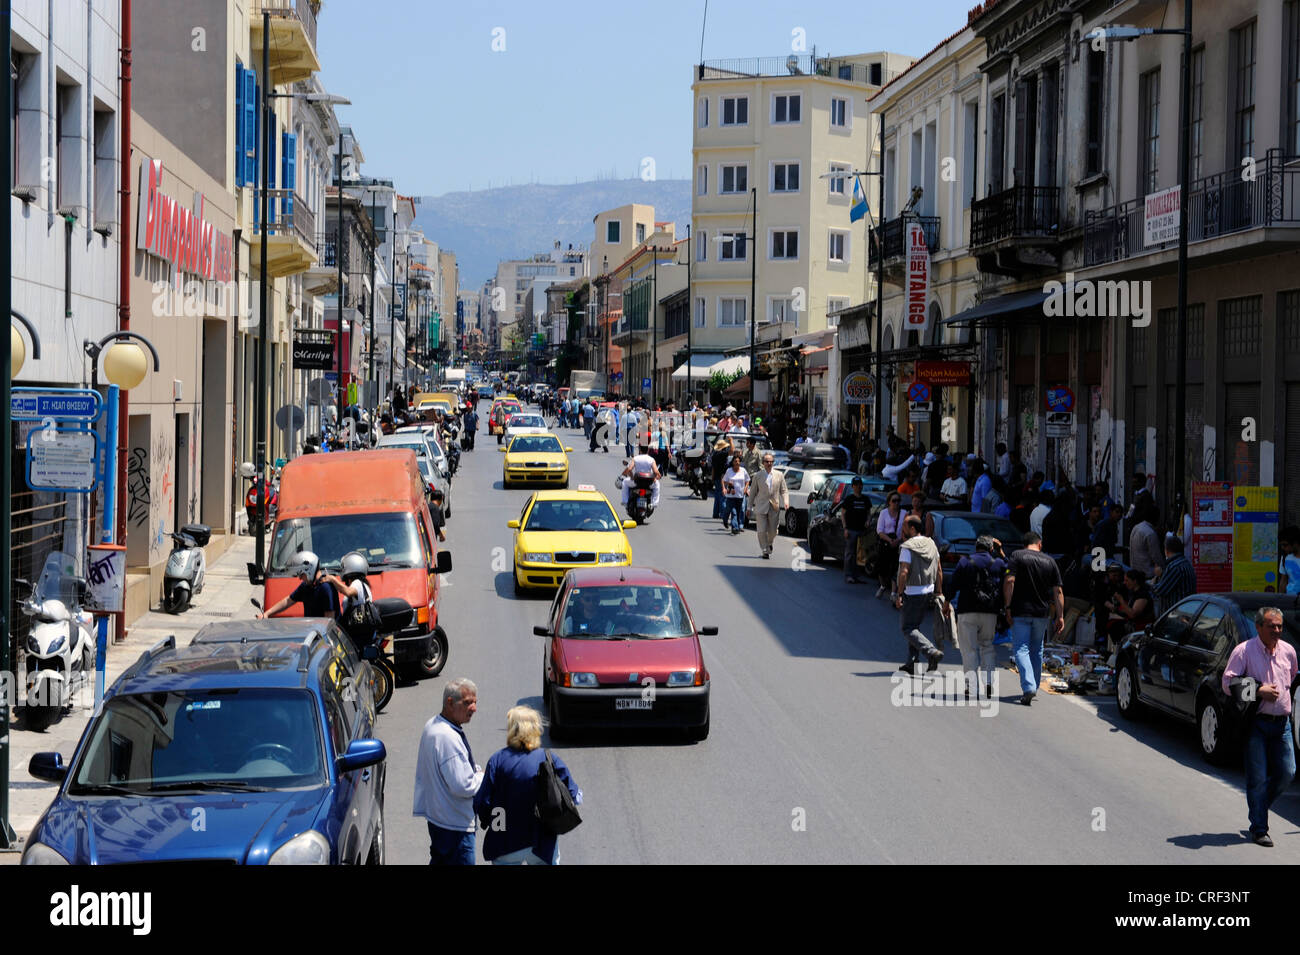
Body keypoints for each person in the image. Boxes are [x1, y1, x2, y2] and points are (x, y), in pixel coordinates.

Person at [1221, 607, 1298, 847]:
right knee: (1257, 778)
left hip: (1282, 724)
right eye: (1271, 626)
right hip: (1256, 724)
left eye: (1279, 626)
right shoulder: (1243, 651)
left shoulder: (1289, 651)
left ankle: (1259, 806)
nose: (1277, 631)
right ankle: (1259, 828)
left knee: (1288, 772)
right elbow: (1227, 683)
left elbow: (1292, 677)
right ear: (1258, 627)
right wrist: (1258, 690)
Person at [473, 705, 582, 865]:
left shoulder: (497, 760)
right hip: (541, 841)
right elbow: (573, 796)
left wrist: (493, 823)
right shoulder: (548, 758)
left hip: (505, 841)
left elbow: (483, 803)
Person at [413, 677, 483, 865]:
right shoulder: (447, 738)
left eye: (475, 703)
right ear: (450, 703)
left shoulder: (434, 725)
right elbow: (463, 785)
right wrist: (481, 777)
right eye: (468, 703)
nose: (474, 708)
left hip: (440, 820)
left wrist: (472, 769)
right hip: (455, 827)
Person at [1002, 531, 1064, 706]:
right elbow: (1058, 591)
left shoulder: (1017, 556)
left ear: (1024, 544)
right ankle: (1034, 686)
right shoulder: (1050, 561)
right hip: (1042, 613)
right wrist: (1060, 616)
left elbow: (1009, 581)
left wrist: (1007, 606)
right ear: (1040, 544)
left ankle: (1028, 686)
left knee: (1021, 649)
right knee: (1037, 650)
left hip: (1020, 611)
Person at [952, 536, 1007, 698]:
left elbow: (953, 584)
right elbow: (1011, 568)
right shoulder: (997, 563)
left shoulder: (964, 562)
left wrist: (946, 601)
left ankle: (971, 686)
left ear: (975, 548)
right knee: (987, 646)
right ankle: (988, 682)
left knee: (969, 650)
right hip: (990, 613)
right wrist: (1001, 551)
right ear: (991, 549)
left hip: (967, 611)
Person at [894, 515, 946, 673]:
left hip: (913, 591)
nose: (902, 529)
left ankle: (931, 651)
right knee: (914, 626)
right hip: (928, 590)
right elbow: (939, 569)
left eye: (904, 526)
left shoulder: (907, 547)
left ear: (912, 528)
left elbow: (904, 572)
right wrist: (939, 591)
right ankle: (912, 663)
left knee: (908, 628)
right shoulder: (931, 543)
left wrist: (899, 593)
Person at [258, 550, 338, 619]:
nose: (300, 578)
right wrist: (267, 613)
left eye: (301, 575)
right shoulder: (306, 586)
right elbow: (288, 600)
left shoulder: (326, 588)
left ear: (309, 571)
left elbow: (329, 618)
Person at [747, 452, 789, 559]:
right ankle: (765, 549)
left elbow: (784, 490)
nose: (769, 463)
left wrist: (786, 501)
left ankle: (769, 543)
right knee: (761, 530)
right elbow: (752, 493)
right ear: (763, 463)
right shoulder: (758, 476)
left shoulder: (779, 475)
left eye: (771, 462)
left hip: (774, 506)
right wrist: (749, 507)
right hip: (761, 506)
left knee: (773, 531)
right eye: (767, 462)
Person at [1104, 569, 1155, 643]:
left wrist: (1121, 600)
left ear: (1135, 581)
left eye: (1127, 580)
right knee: (1110, 622)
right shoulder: (1133, 593)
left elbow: (1132, 614)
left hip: (1140, 626)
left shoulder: (1142, 595)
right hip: (1133, 622)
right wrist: (1116, 610)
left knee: (1115, 627)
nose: (1125, 583)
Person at [1149, 534, 1195, 615]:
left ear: (1166, 550)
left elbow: (1159, 591)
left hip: (1176, 615)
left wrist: (1154, 581)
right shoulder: (1185, 563)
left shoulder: (1174, 566)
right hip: (1186, 611)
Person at [840, 476, 873, 583]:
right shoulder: (849, 499)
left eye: (860, 485)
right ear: (853, 486)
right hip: (851, 530)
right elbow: (843, 514)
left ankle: (857, 575)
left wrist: (868, 521)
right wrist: (845, 528)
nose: (859, 487)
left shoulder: (865, 499)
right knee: (850, 554)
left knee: (861, 555)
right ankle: (848, 575)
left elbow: (869, 513)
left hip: (863, 531)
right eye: (857, 485)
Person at [875, 492, 904, 600]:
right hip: (885, 543)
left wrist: (898, 540)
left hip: (899, 544)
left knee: (895, 568)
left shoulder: (904, 513)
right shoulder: (883, 513)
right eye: (894, 501)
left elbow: (905, 530)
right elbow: (879, 530)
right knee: (882, 568)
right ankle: (882, 586)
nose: (896, 503)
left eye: (898, 501)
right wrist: (890, 540)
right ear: (889, 502)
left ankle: (893, 592)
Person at [1129, 502, 1165, 578]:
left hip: (1135, 572)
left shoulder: (1136, 527)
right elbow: (1156, 557)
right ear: (1156, 518)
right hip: (1147, 574)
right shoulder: (1150, 533)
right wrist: (1165, 568)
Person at [721, 453, 750, 534]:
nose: (737, 462)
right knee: (730, 511)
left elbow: (748, 480)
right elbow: (723, 480)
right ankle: (730, 523)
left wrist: (745, 488)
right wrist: (724, 488)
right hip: (730, 495)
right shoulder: (729, 471)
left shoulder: (743, 470)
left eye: (738, 461)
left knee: (737, 511)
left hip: (740, 495)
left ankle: (734, 526)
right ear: (733, 462)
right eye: (735, 461)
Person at [710, 438, 732, 521]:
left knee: (717, 496)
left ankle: (716, 513)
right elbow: (731, 451)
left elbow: (713, 468)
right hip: (721, 477)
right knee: (723, 496)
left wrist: (712, 477)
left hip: (716, 477)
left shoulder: (714, 455)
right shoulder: (722, 454)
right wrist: (731, 441)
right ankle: (723, 514)